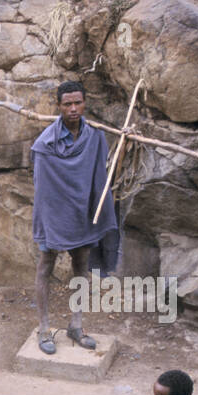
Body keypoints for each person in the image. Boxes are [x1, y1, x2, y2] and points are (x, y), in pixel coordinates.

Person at [31, 80, 119, 356]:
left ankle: (76, 325)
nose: (73, 108)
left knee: (81, 266)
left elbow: (103, 175)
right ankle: (44, 329)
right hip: (54, 216)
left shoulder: (95, 137)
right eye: (67, 104)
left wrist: (125, 139)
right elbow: (43, 189)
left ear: (84, 103)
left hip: (83, 213)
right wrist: (51, 223)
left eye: (77, 103)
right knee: (46, 265)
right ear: (58, 106)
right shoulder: (45, 143)